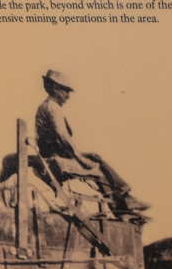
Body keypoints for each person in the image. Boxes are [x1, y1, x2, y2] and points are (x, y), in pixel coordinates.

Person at [34, 70, 149, 214]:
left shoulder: (47, 106)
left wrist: (82, 156)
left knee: (96, 157)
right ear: (55, 88)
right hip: (55, 158)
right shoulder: (53, 108)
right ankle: (120, 207)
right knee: (95, 168)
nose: (68, 96)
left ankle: (125, 195)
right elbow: (63, 137)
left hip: (57, 154)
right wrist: (81, 159)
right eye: (66, 91)